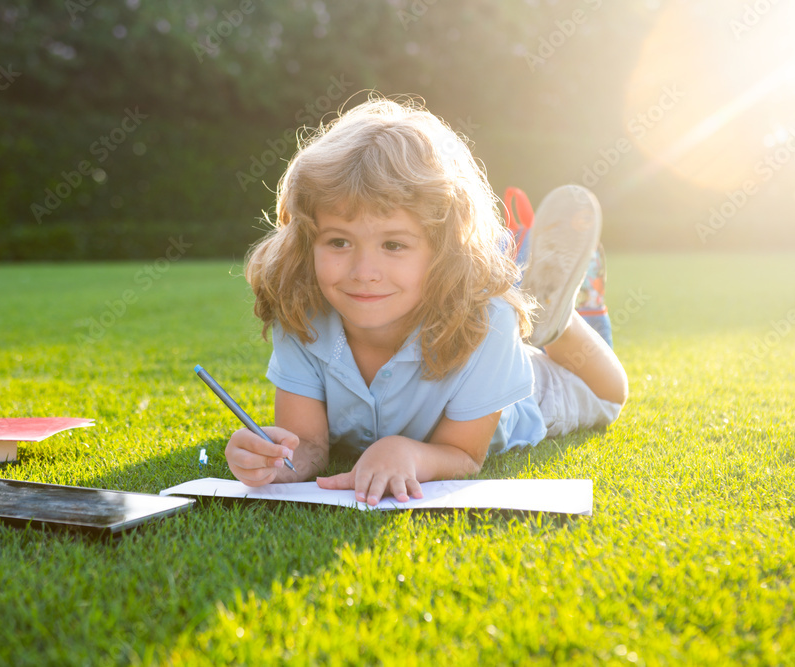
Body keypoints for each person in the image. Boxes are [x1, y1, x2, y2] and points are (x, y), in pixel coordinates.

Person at [225, 96, 628, 506]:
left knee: (608, 393)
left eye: (394, 244)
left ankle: (555, 318)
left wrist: (409, 453)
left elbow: (465, 454)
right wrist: (274, 459)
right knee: (516, 316)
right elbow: (309, 442)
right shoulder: (302, 311)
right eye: (339, 241)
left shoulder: (488, 323)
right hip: (492, 342)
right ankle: (534, 297)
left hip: (523, 397)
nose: (364, 271)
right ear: (307, 241)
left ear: (444, 249)